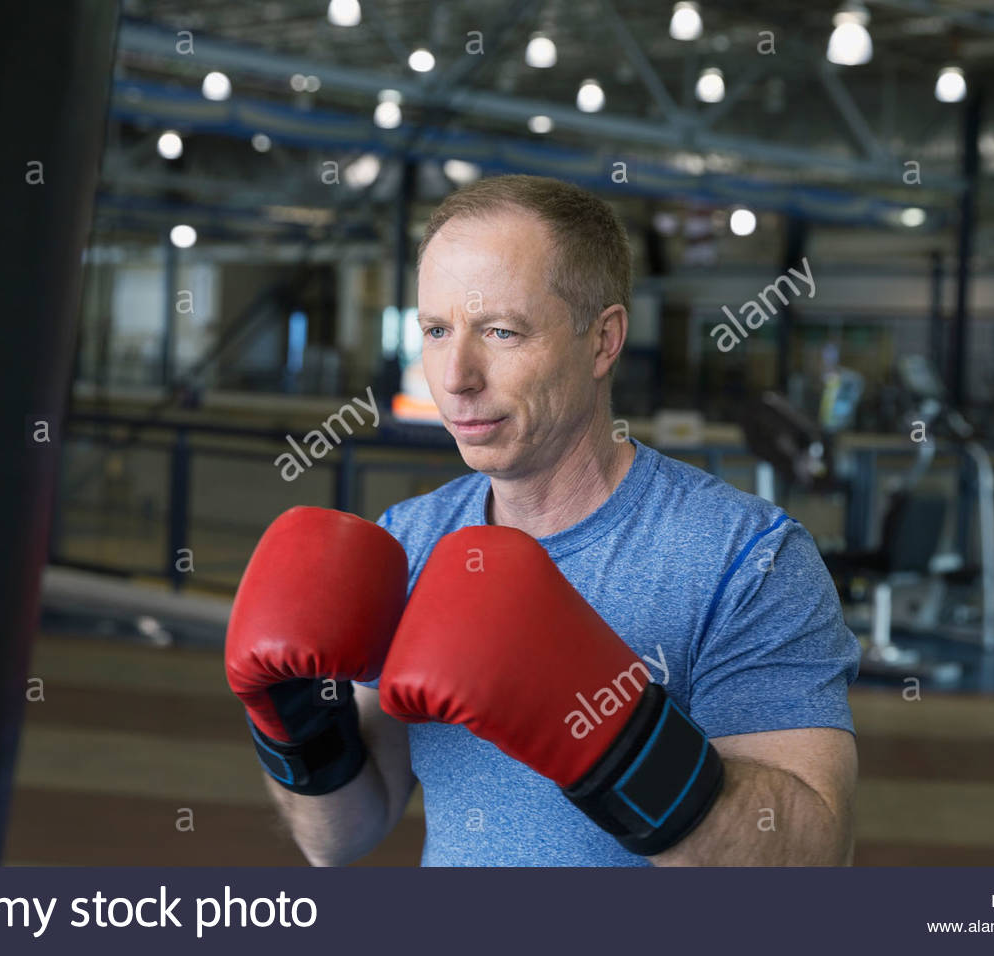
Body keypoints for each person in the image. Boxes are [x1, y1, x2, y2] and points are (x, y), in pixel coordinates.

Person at [226, 174, 860, 867]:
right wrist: (292, 722)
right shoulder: (409, 543)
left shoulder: (746, 558)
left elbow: (809, 861)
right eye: (436, 331)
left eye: (502, 331)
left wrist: (613, 737)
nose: (457, 375)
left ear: (603, 341)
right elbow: (342, 836)